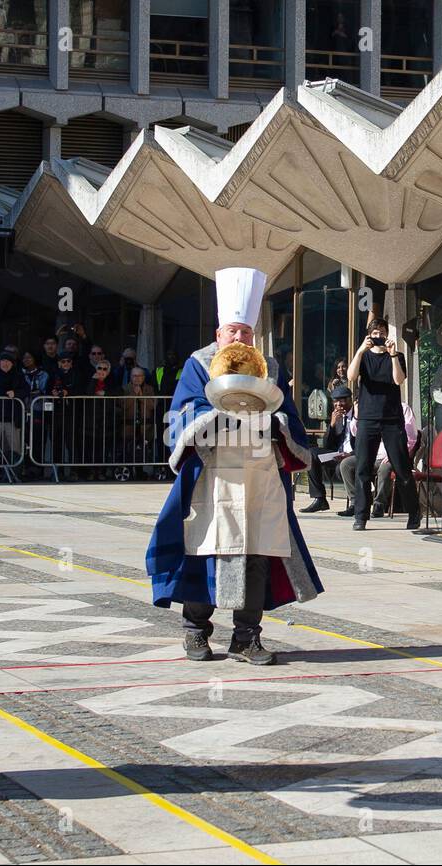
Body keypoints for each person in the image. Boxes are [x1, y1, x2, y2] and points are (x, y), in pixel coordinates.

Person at [147, 267, 323, 666]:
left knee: (258, 554)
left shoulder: (271, 369)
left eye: (245, 332)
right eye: (232, 331)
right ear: (218, 334)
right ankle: (196, 632)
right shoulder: (198, 364)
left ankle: (247, 637)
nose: (239, 338)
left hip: (260, 474)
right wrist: (215, 418)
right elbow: (182, 414)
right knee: (205, 550)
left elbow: (290, 420)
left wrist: (274, 424)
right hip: (214, 473)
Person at [347, 315, 420, 530]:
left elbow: (398, 380)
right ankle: (360, 516)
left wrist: (393, 355)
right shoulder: (364, 356)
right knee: (362, 468)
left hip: (391, 418)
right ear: (369, 335)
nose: (379, 337)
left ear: (388, 334)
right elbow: (352, 376)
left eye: (382, 333)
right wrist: (360, 351)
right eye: (375, 333)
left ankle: (413, 513)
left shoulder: (395, 355)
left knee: (402, 467)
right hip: (368, 418)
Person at [301, 383, 353, 513]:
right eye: (336, 401)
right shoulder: (337, 417)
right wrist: (333, 425)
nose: (338, 404)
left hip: (353, 455)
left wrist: (350, 454)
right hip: (337, 454)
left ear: (350, 400)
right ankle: (320, 499)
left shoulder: (358, 415)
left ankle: (355, 503)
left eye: (342, 400)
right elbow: (326, 445)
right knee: (311, 454)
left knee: (344, 465)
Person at [368, 401, 419, 518]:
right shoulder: (372, 407)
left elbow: (411, 438)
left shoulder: (403, 408)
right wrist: (356, 414)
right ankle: (357, 502)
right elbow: (357, 433)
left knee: (384, 469)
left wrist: (394, 453)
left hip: (393, 455)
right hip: (374, 454)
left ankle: (379, 504)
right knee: (347, 465)